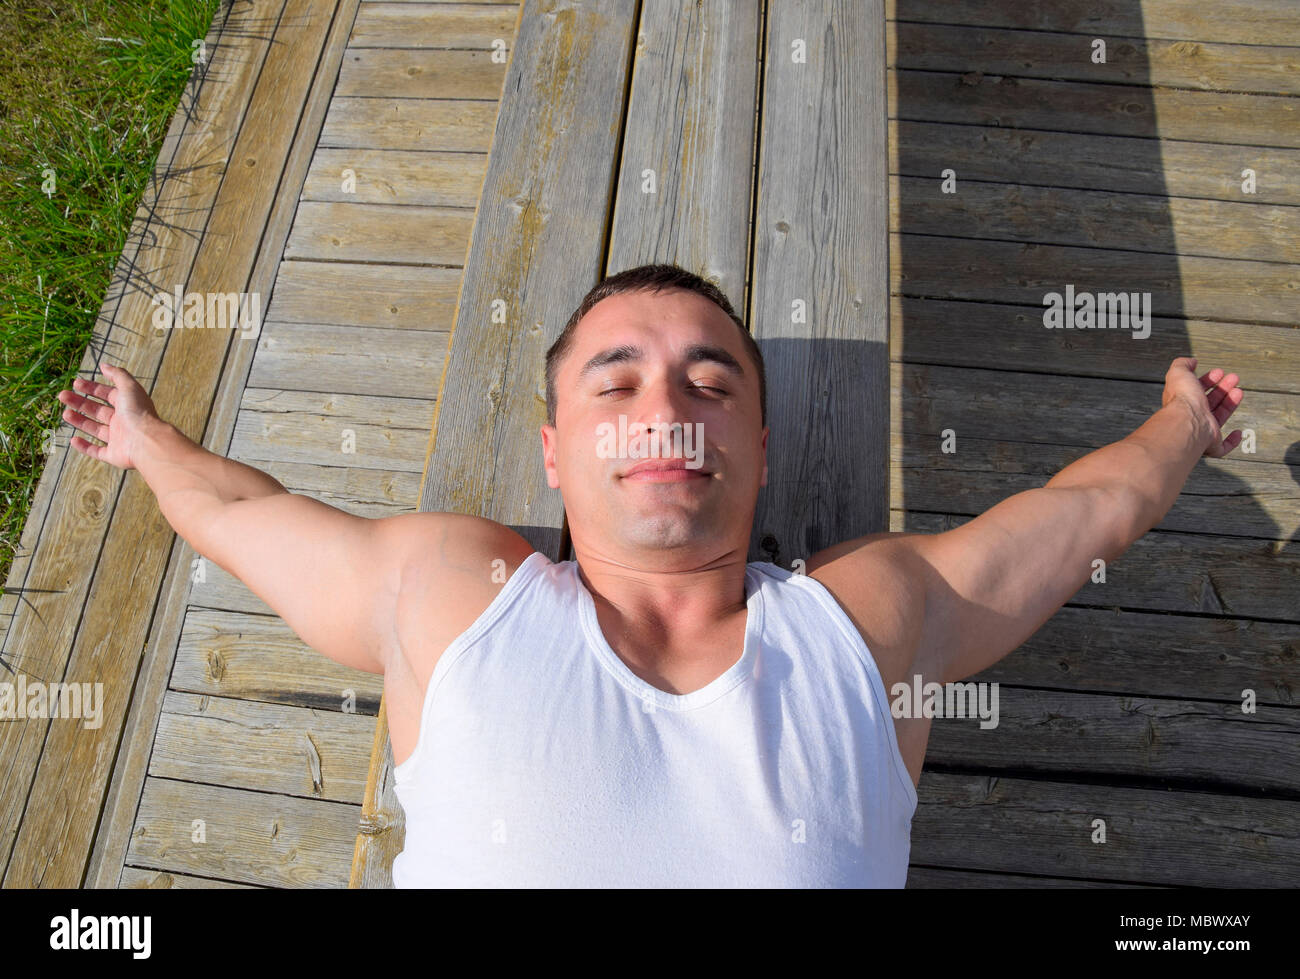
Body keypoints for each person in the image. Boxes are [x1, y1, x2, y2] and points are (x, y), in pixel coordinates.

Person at [56, 264, 1245, 887]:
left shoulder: (867, 623)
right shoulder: (452, 593)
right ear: (555, 451)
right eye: (614, 382)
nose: (665, 405)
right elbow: (246, 516)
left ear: (761, 451)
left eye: (712, 383)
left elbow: (1081, 515)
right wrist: (149, 443)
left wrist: (1183, 424)